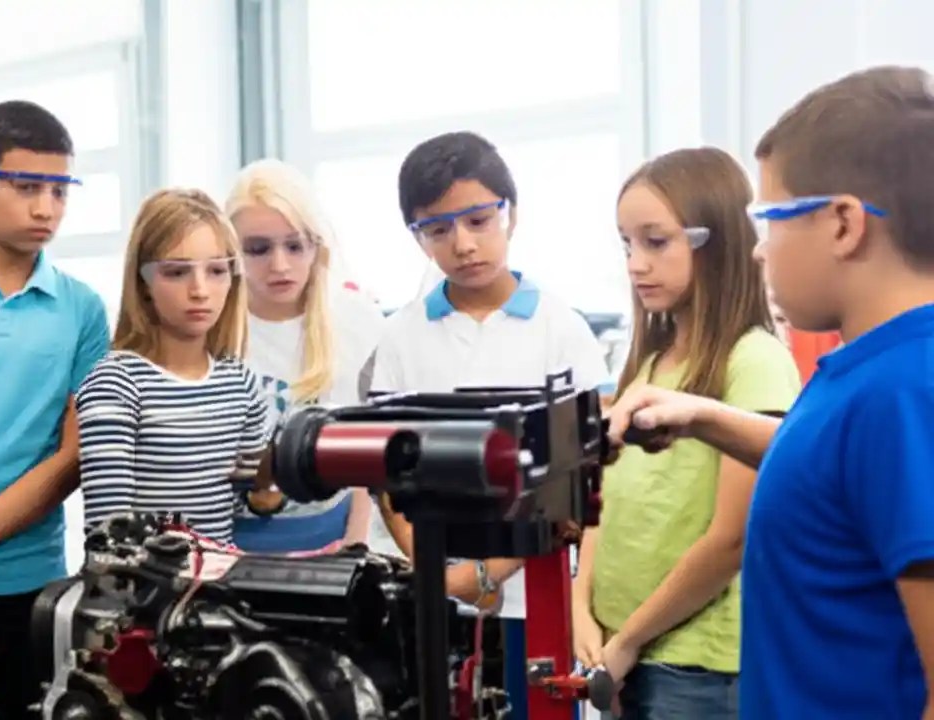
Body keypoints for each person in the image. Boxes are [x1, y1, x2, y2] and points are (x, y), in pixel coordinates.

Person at [605, 66, 934, 719]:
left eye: (773, 219)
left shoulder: (903, 393)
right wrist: (704, 418)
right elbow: (833, 473)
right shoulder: (867, 374)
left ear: (843, 224)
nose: (758, 252)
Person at [369, 131, 610, 714]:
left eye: (479, 219)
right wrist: (430, 569)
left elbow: (581, 477)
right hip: (431, 600)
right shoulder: (402, 334)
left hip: (536, 595)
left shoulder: (560, 327)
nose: (463, 244)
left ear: (512, 213)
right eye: (438, 229)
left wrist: (487, 571)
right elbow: (385, 466)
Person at [570, 148, 801, 718]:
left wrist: (628, 642)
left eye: (656, 241)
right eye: (627, 244)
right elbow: (608, 494)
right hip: (620, 649)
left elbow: (731, 539)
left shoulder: (755, 362)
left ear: (716, 239)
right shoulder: (648, 363)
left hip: (692, 662)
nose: (635, 264)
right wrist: (583, 604)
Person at [0, 100, 110, 718]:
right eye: (26, 188)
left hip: (32, 582)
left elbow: (75, 456)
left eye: (59, 190)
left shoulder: (82, 309)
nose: (46, 208)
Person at [76, 188, 269, 545]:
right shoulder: (117, 385)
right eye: (177, 272)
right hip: (142, 594)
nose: (200, 290)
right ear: (144, 283)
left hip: (218, 589)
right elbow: (108, 533)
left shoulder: (240, 382)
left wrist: (277, 481)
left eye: (216, 270)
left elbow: (253, 498)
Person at [224, 158, 384, 553]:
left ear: (316, 245)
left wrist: (355, 544)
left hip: (331, 534)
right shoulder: (211, 323)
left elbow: (368, 448)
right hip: (228, 541)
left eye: (294, 246)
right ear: (232, 252)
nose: (280, 265)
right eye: (258, 249)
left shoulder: (355, 318)